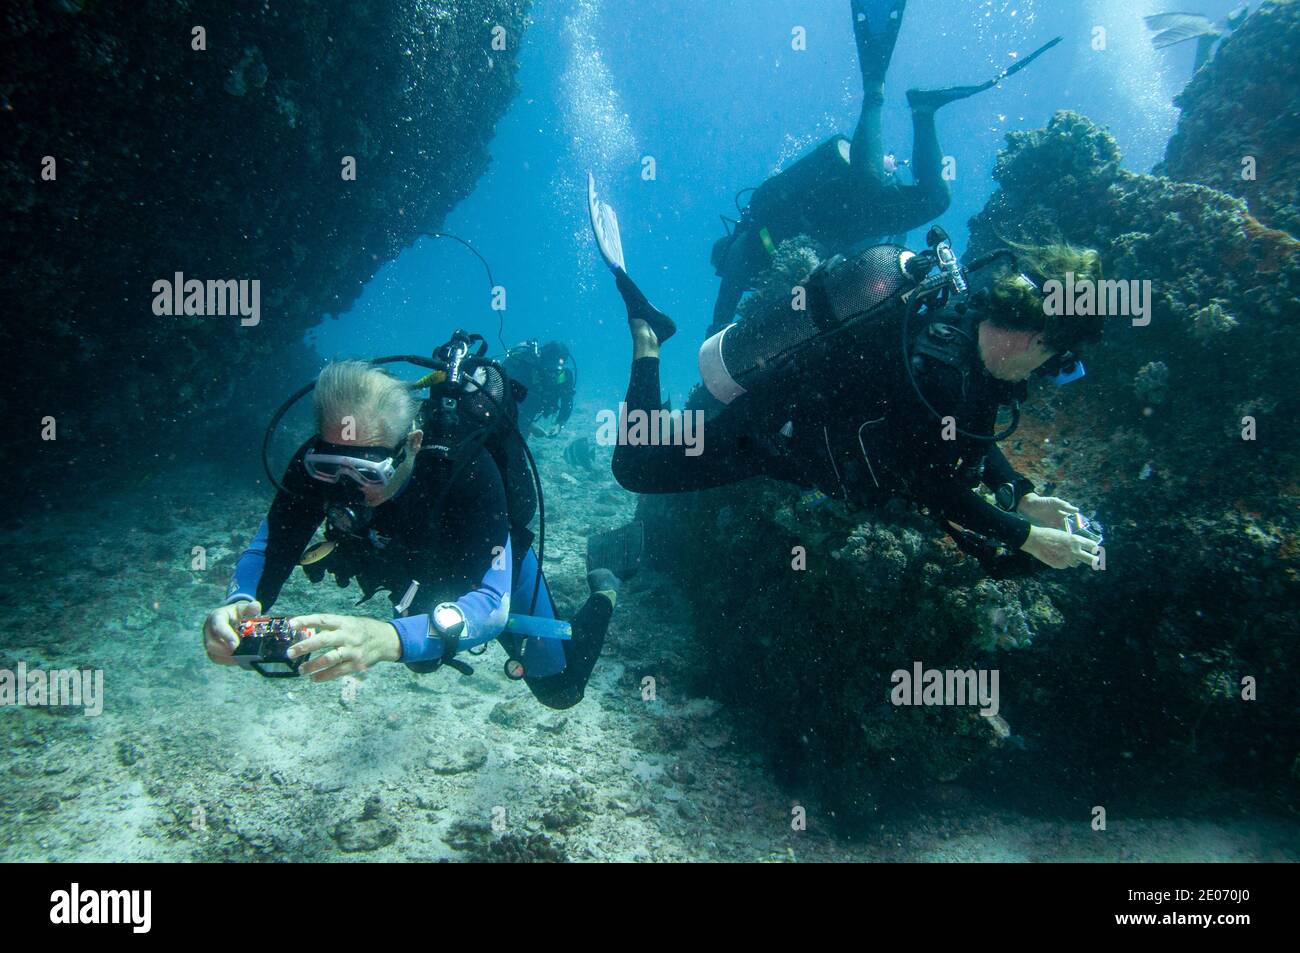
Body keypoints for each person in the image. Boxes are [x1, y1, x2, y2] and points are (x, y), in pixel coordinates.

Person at [590, 179, 1102, 575]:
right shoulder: (941, 366)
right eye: (1059, 361)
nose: (1047, 374)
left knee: (666, 444)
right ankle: (647, 336)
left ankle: (658, 358)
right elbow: (929, 483)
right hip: (772, 428)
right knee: (636, 469)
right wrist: (1027, 537)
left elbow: (970, 431)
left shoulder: (970, 330)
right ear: (1037, 338)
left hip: (800, 435)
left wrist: (1020, 492)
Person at [201, 358, 621, 708]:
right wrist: (238, 605)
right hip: (405, 565)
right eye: (330, 469)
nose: (345, 489)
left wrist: (386, 638)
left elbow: (492, 605)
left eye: (367, 473)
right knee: (422, 654)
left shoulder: (466, 469)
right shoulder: (317, 460)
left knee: (559, 690)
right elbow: (270, 546)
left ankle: (606, 587)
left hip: (479, 557)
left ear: (413, 444)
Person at [707, 0, 1060, 337]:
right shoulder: (769, 253)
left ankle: (873, 86)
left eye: (723, 269)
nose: (735, 278)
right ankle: (924, 111)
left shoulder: (747, 245)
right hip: (857, 220)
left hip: (837, 199)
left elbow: (727, 298)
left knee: (869, 181)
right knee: (936, 199)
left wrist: (716, 334)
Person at [504, 340, 577, 436]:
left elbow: (567, 401)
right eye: (550, 364)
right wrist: (529, 425)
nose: (553, 373)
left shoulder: (563, 376)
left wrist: (559, 424)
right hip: (503, 415)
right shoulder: (526, 369)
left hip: (528, 414)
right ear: (543, 359)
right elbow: (505, 399)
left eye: (558, 365)